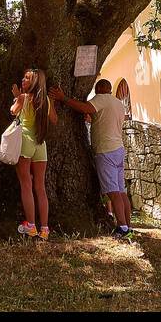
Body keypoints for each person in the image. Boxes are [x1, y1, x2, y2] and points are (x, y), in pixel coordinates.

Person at [51, 78, 134, 241]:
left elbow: (85, 108)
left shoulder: (101, 99)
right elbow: (101, 117)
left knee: (113, 192)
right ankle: (129, 226)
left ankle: (122, 227)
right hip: (118, 148)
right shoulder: (117, 103)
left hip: (106, 150)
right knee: (121, 191)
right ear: (110, 89)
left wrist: (63, 98)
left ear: (98, 90)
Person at [10, 68, 57, 240]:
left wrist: (17, 97)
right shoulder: (45, 100)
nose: (23, 80)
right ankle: (44, 228)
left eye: (27, 78)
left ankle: (31, 225)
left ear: (34, 82)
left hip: (25, 141)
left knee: (26, 185)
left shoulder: (23, 98)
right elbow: (54, 119)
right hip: (40, 143)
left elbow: (12, 111)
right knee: (40, 187)